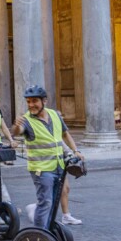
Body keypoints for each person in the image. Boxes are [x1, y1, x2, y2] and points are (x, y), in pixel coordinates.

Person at [11, 85, 85, 230]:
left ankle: (47, 230)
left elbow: (65, 134)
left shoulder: (54, 115)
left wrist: (75, 150)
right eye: (28, 101)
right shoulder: (26, 120)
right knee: (46, 202)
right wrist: (16, 127)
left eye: (34, 101)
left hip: (58, 165)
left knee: (53, 202)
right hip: (41, 169)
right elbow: (18, 131)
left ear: (44, 101)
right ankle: (39, 233)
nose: (31, 105)